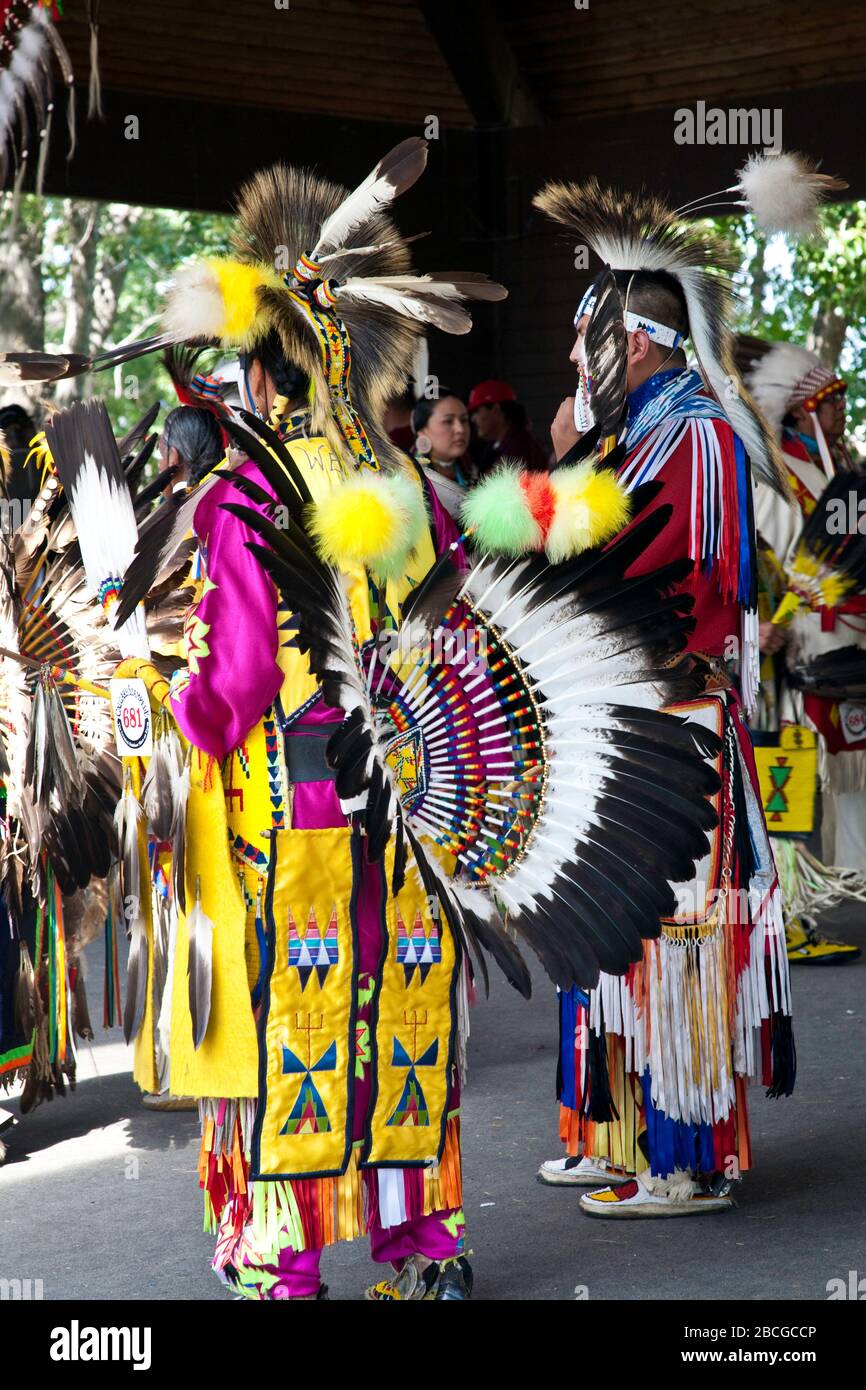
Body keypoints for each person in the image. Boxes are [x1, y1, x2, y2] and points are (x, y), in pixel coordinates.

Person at [533, 175, 795, 1216]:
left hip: (671, 732)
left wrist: (557, 479)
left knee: (669, 950)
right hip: (634, 729)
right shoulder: (642, 432)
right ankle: (622, 1134)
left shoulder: (685, 437)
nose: (567, 359)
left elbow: (644, 591)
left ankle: (682, 1159)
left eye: (579, 337)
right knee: (609, 939)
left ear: (629, 342)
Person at [749, 343, 866, 875]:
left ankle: (851, 876)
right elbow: (767, 555)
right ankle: (795, 902)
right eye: (831, 400)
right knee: (791, 769)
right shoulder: (777, 473)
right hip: (796, 650)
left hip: (847, 642)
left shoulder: (843, 467)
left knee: (852, 765)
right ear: (802, 410)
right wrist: (761, 624)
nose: (842, 410)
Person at [411, 389, 475, 518]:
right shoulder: (411, 480)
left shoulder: (472, 470)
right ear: (422, 430)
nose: (460, 429)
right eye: (448, 421)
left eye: (464, 420)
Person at [468, 378, 549, 473]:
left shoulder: (518, 451)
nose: (473, 418)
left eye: (477, 411)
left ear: (495, 410)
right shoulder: (501, 445)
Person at [157, 404, 225, 497]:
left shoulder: (186, 509)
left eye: (161, 454)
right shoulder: (239, 481)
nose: (159, 465)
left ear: (173, 458)